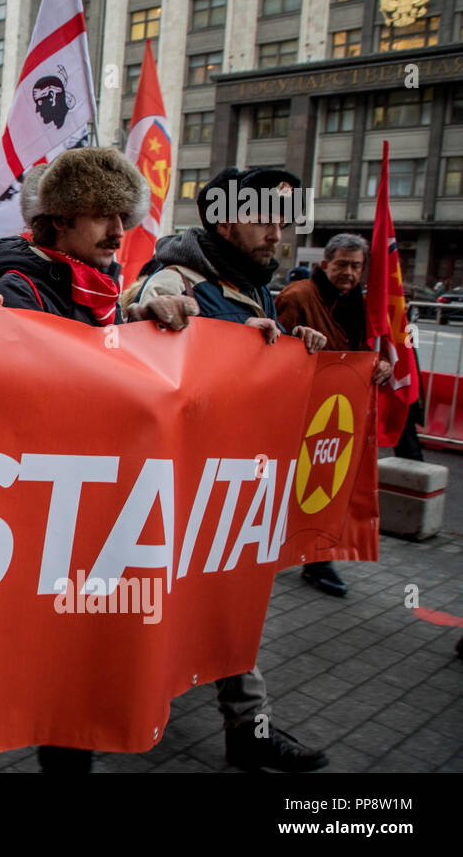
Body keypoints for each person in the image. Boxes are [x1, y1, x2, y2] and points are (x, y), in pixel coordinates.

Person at [0, 147, 199, 772]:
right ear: (61, 220)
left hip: (79, 516)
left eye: (123, 217)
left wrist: (141, 321)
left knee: (75, 682)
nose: (118, 232)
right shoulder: (16, 289)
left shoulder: (98, 291)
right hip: (23, 521)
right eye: (103, 216)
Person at [137, 165, 330, 772]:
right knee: (177, 603)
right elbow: (137, 327)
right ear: (223, 222)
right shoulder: (176, 277)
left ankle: (246, 725)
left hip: (225, 486)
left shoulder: (253, 284)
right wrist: (170, 316)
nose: (278, 234)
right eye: (265, 219)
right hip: (176, 486)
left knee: (228, 603)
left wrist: (289, 350)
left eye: (284, 222)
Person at [277, 233, 393, 598]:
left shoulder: (363, 305)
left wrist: (381, 365)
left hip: (337, 417)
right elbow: (273, 350)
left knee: (324, 487)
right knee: (283, 487)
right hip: (296, 411)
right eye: (342, 264)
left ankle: (318, 559)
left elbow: (367, 351)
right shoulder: (298, 297)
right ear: (325, 263)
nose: (349, 273)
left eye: (356, 266)